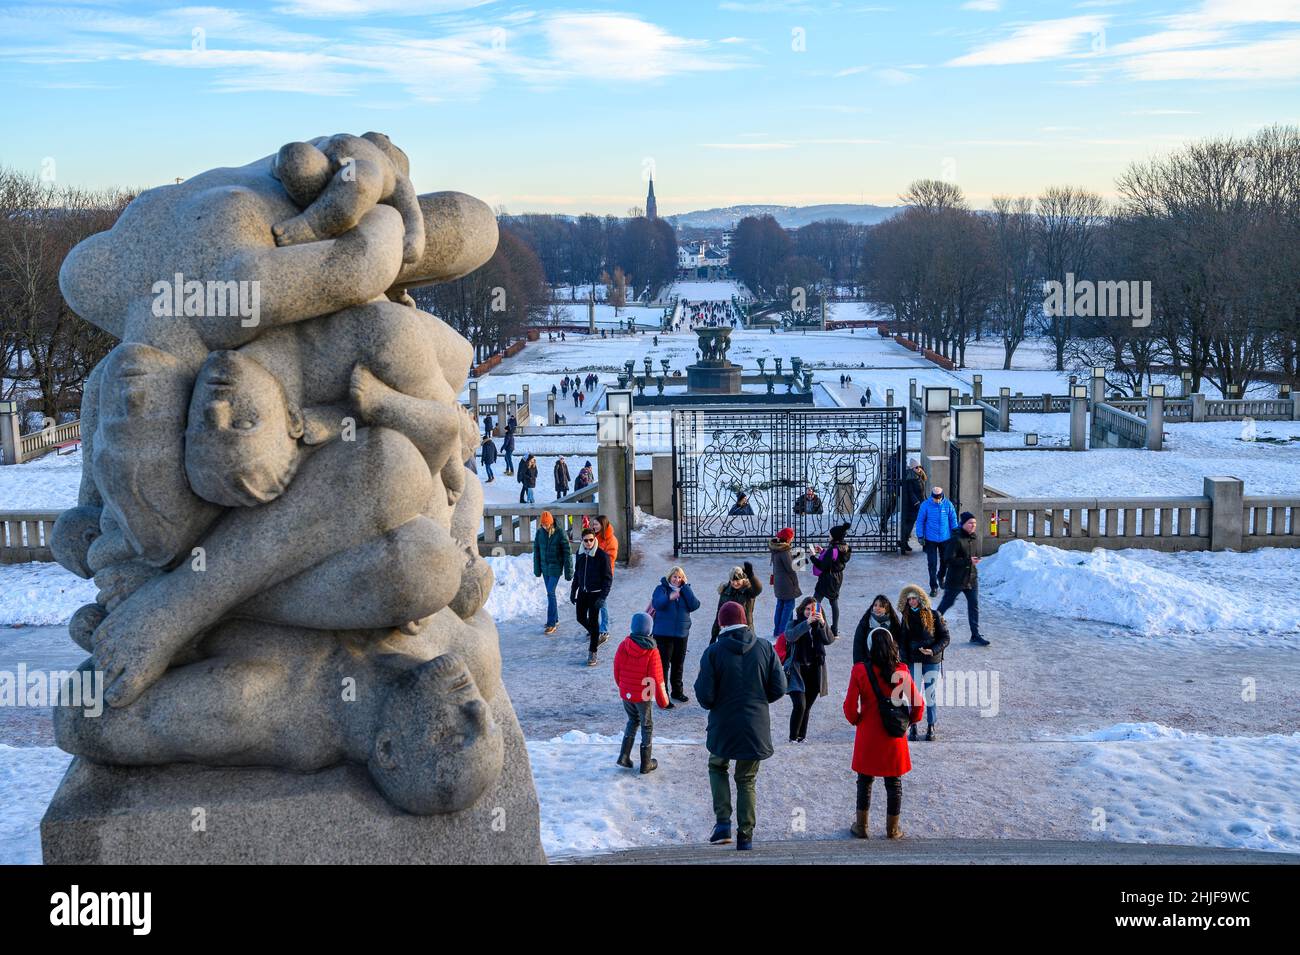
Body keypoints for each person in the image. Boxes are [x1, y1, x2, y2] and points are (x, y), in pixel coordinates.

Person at [694, 601, 787, 851]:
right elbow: (779, 687)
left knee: (717, 766)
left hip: (723, 725)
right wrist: (757, 699)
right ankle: (745, 835)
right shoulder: (765, 647)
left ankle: (722, 824)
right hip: (755, 726)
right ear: (745, 620)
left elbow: (705, 697)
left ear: (722, 623)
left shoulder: (713, 652)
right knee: (746, 779)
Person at [842, 626, 923, 839]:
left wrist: (857, 721)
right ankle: (892, 829)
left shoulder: (860, 671)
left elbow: (850, 707)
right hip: (893, 735)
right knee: (893, 782)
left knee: (864, 780)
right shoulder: (901, 672)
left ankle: (861, 826)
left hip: (868, 734)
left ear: (869, 647)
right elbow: (919, 705)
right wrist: (908, 722)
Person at [614, 611, 669, 773]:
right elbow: (658, 680)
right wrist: (663, 701)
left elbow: (617, 669)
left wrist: (623, 687)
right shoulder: (652, 650)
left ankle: (624, 756)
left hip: (627, 693)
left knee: (632, 720)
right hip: (643, 695)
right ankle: (646, 763)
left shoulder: (624, 645)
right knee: (647, 725)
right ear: (649, 630)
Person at [897, 584, 949, 741]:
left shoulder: (934, 615)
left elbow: (945, 638)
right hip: (913, 661)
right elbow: (903, 641)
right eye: (909, 599)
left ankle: (931, 725)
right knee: (914, 695)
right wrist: (904, 661)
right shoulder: (905, 617)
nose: (912, 602)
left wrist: (932, 650)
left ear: (920, 599)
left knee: (930, 694)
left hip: (931, 660)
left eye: (914, 598)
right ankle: (913, 725)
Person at [784, 597, 836, 742]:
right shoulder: (795, 619)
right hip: (797, 669)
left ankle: (802, 737)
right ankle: (793, 737)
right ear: (802, 609)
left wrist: (823, 623)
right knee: (799, 704)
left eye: (813, 609)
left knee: (807, 706)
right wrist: (806, 623)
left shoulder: (820, 623)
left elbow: (829, 640)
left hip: (815, 669)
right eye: (807, 609)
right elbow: (790, 636)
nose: (809, 612)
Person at [650, 566, 701, 705]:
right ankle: (663, 695)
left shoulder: (685, 591)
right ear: (669, 577)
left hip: (681, 634)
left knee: (678, 665)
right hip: (663, 634)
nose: (677, 579)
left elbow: (695, 605)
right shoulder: (661, 589)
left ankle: (677, 692)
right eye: (675, 576)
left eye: (680, 577)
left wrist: (686, 589)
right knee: (664, 666)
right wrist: (669, 597)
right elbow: (657, 604)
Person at [938, 511, 989, 646]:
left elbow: (974, 555)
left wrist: (975, 560)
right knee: (947, 604)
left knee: (974, 605)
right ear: (963, 524)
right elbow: (948, 559)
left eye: (975, 523)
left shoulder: (974, 537)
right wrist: (968, 560)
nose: (973, 525)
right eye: (970, 523)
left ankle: (975, 635)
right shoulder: (956, 539)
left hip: (971, 578)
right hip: (956, 579)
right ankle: (930, 626)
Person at [571, 528, 612, 666]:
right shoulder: (580, 554)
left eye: (591, 540)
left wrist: (602, 597)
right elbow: (577, 574)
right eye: (585, 540)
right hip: (583, 592)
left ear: (594, 539)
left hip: (596, 593)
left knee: (594, 622)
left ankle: (592, 651)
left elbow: (608, 579)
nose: (588, 542)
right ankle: (596, 634)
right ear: (582, 540)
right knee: (580, 618)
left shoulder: (602, 556)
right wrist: (573, 591)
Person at [532, 510, 573, 635]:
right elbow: (537, 552)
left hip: (555, 568)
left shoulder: (560, 533)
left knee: (550, 592)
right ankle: (555, 619)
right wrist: (537, 569)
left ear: (551, 522)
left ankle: (551, 623)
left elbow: (567, 552)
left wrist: (568, 571)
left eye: (547, 524)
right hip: (545, 569)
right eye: (543, 525)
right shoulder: (539, 533)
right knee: (550, 593)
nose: (545, 527)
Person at [914, 485, 958, 597]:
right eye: (935, 498)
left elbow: (953, 519)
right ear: (932, 496)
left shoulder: (948, 504)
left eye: (938, 498)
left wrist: (956, 533)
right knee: (932, 563)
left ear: (942, 496)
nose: (937, 500)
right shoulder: (925, 505)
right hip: (930, 539)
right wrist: (920, 536)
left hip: (945, 538)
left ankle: (941, 576)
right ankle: (933, 586)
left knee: (945, 561)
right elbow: (920, 521)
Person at [808, 522, 851, 637]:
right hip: (838, 578)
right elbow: (835, 560)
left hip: (827, 578)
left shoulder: (833, 549)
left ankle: (814, 626)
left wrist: (812, 556)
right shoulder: (845, 547)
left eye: (830, 534)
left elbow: (823, 566)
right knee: (834, 602)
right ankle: (835, 630)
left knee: (815, 601)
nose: (829, 536)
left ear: (835, 536)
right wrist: (823, 551)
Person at [710, 562, 762, 642]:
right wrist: (714, 635)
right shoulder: (725, 591)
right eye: (732, 580)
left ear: (743, 579)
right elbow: (719, 613)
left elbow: (758, 589)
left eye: (738, 580)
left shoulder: (748, 591)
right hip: (728, 630)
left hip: (745, 630)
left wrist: (751, 576)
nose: (735, 583)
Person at [768, 527, 801, 639]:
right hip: (787, 585)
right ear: (788, 539)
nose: (793, 538)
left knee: (780, 606)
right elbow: (791, 568)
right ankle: (783, 633)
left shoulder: (776, 548)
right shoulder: (785, 550)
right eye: (792, 537)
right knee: (788, 607)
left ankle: (778, 630)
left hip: (779, 584)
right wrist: (800, 560)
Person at [853, 594, 901, 666]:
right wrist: (858, 665)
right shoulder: (865, 622)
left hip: (888, 665)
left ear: (887, 609)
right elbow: (858, 645)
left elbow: (899, 644)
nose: (877, 608)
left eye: (881, 606)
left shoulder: (894, 624)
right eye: (875, 605)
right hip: (869, 665)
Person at [594, 514, 619, 640]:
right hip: (593, 574)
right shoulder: (594, 537)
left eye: (596, 524)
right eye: (593, 524)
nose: (594, 526)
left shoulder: (611, 539)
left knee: (602, 601)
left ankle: (604, 629)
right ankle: (594, 627)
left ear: (602, 525)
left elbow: (610, 559)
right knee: (592, 600)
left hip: (604, 575)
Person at [899, 461, 926, 555]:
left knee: (911, 524)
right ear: (912, 468)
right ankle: (904, 541)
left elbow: (922, 492)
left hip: (919, 504)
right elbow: (911, 493)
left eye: (919, 466)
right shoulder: (911, 478)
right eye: (916, 467)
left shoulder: (918, 476)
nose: (918, 468)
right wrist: (917, 503)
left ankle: (904, 541)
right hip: (913, 506)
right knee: (909, 524)